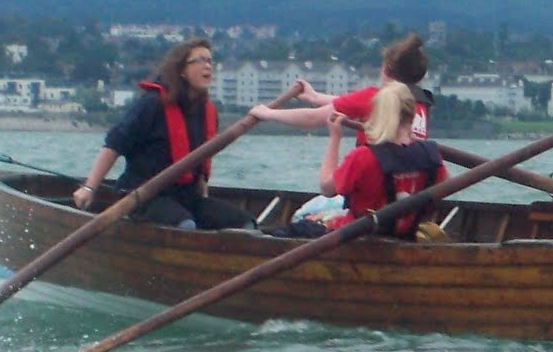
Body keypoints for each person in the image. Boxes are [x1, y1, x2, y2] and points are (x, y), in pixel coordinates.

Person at [72, 37, 255, 230]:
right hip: (143, 197)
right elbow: (113, 145)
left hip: (186, 197)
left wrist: (202, 185)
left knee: (245, 223)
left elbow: (201, 160)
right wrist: (89, 188)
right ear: (182, 70)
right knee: (186, 225)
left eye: (210, 61)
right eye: (199, 60)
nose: (208, 66)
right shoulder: (152, 105)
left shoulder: (207, 111)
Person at [249, 32, 433, 144]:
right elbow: (349, 104)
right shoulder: (419, 102)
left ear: (386, 69)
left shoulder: (374, 98)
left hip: (374, 196)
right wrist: (315, 97)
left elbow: (312, 118)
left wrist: (268, 114)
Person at [318, 80, 447, 239]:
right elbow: (442, 190)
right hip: (407, 237)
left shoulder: (362, 157)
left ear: (376, 114)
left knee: (303, 222)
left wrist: (335, 137)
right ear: (413, 116)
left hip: (357, 238)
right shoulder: (432, 156)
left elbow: (327, 188)